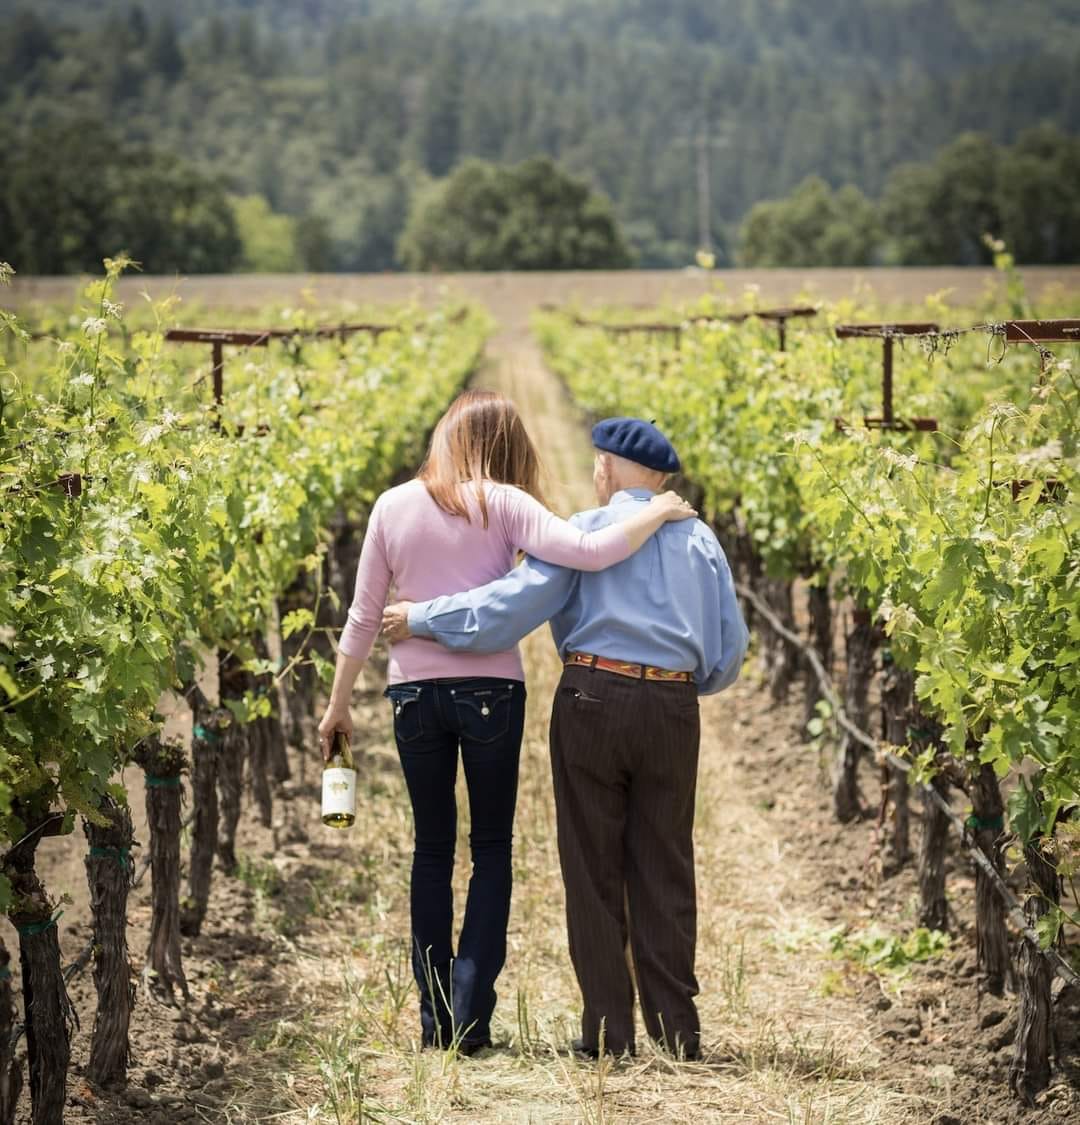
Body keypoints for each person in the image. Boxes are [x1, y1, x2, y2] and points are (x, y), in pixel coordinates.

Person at [317, 392, 696, 1056]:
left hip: (413, 694)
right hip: (492, 690)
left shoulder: (391, 505)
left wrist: (338, 702)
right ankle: (473, 1017)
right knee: (491, 849)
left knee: (431, 850)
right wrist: (659, 510)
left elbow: (362, 615)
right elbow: (591, 549)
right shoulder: (505, 502)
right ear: (506, 444)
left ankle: (435, 1021)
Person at [382, 416, 748, 1061]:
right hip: (672, 703)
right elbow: (728, 651)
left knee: (591, 866)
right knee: (667, 862)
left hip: (591, 698)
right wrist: (678, 681)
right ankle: (677, 1036)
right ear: (662, 479)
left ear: (606, 467)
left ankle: (607, 1035)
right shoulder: (702, 541)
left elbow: (508, 608)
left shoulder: (583, 532)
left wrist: (421, 618)